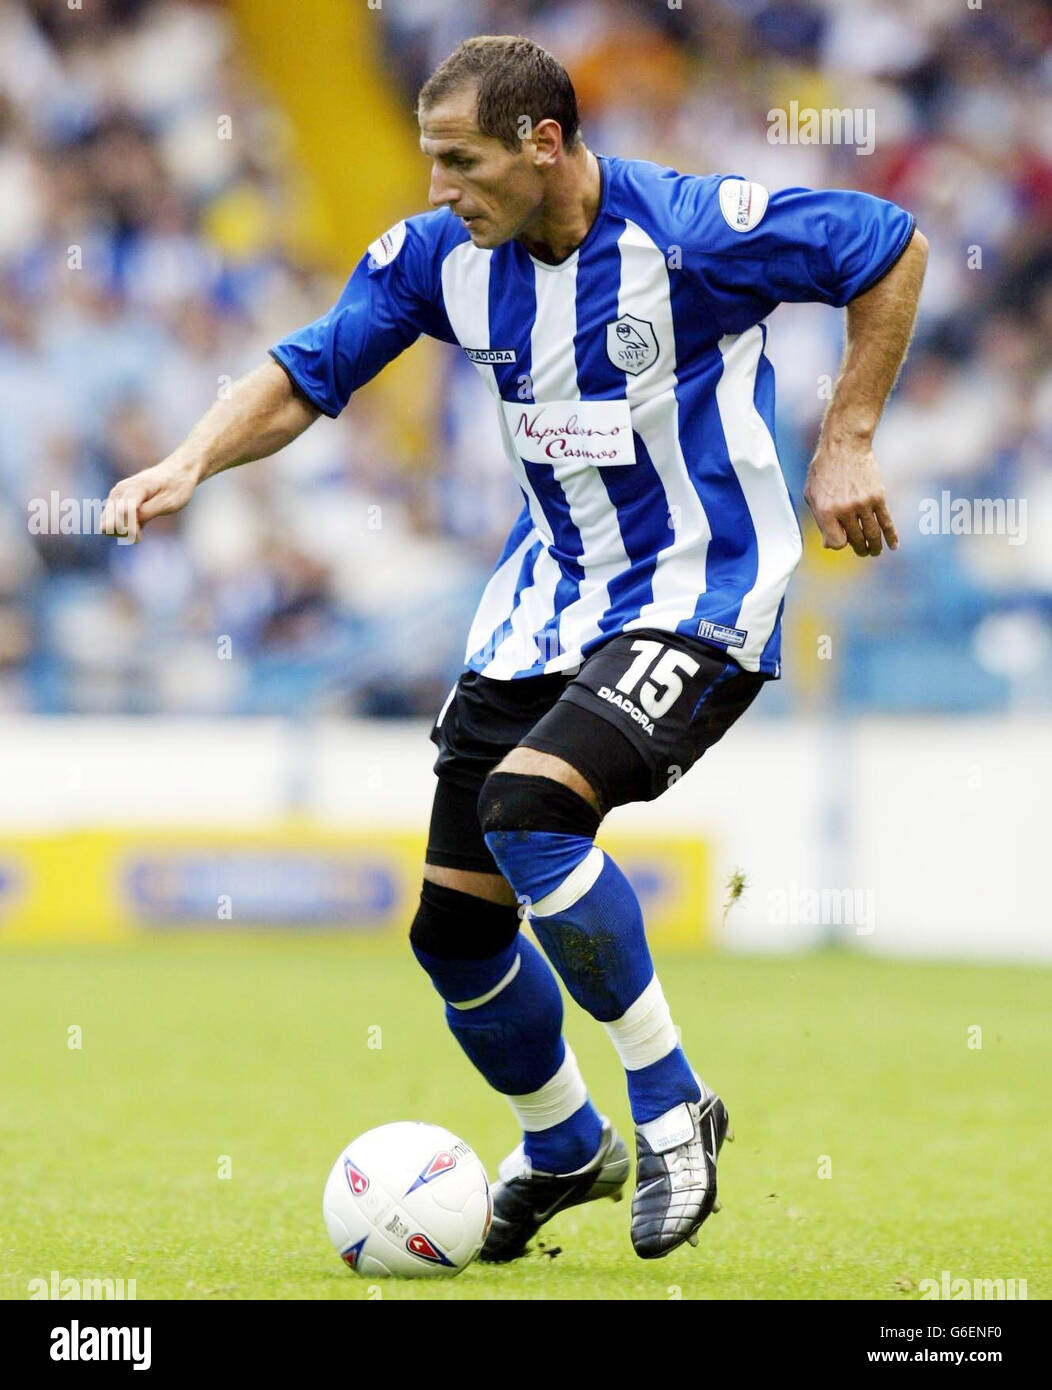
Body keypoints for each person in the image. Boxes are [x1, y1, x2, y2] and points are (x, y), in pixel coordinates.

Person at [103, 35, 927, 1263]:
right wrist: (186, 461)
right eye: (433, 160)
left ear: (544, 145)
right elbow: (307, 370)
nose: (439, 187)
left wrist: (847, 433)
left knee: (531, 807)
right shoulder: (448, 258)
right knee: (455, 932)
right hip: (541, 606)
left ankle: (669, 1109)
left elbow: (889, 245)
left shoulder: (692, 229)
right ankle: (561, 1145)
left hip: (698, 594)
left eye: (461, 161)